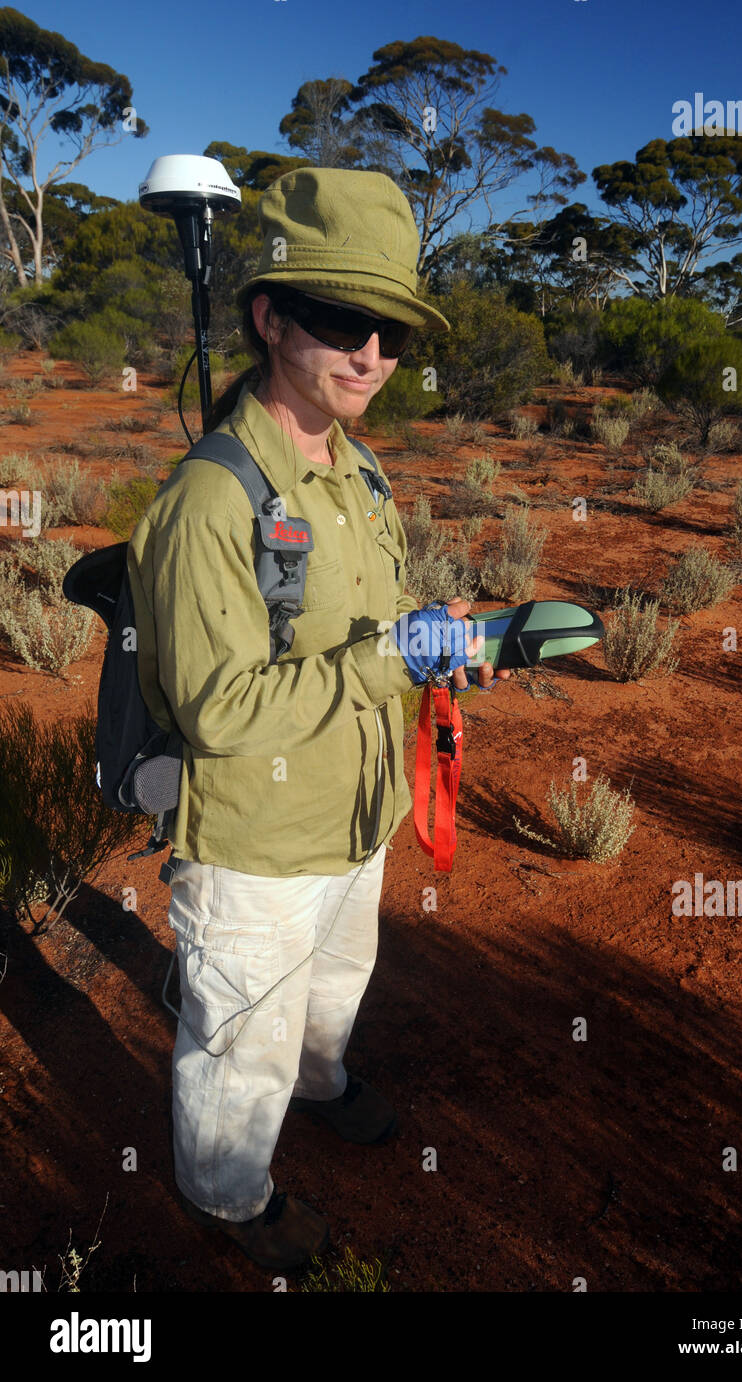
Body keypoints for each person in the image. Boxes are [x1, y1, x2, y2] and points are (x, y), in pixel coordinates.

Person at [127, 167, 510, 1274]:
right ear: (270, 318)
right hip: (253, 843)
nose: (371, 355)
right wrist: (384, 658)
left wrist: (428, 646)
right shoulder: (210, 500)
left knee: (332, 991)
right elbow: (217, 707)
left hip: (358, 813)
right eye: (342, 320)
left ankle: (323, 1080)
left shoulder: (359, 473)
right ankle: (226, 1196)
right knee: (237, 1043)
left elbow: (370, 628)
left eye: (388, 329)